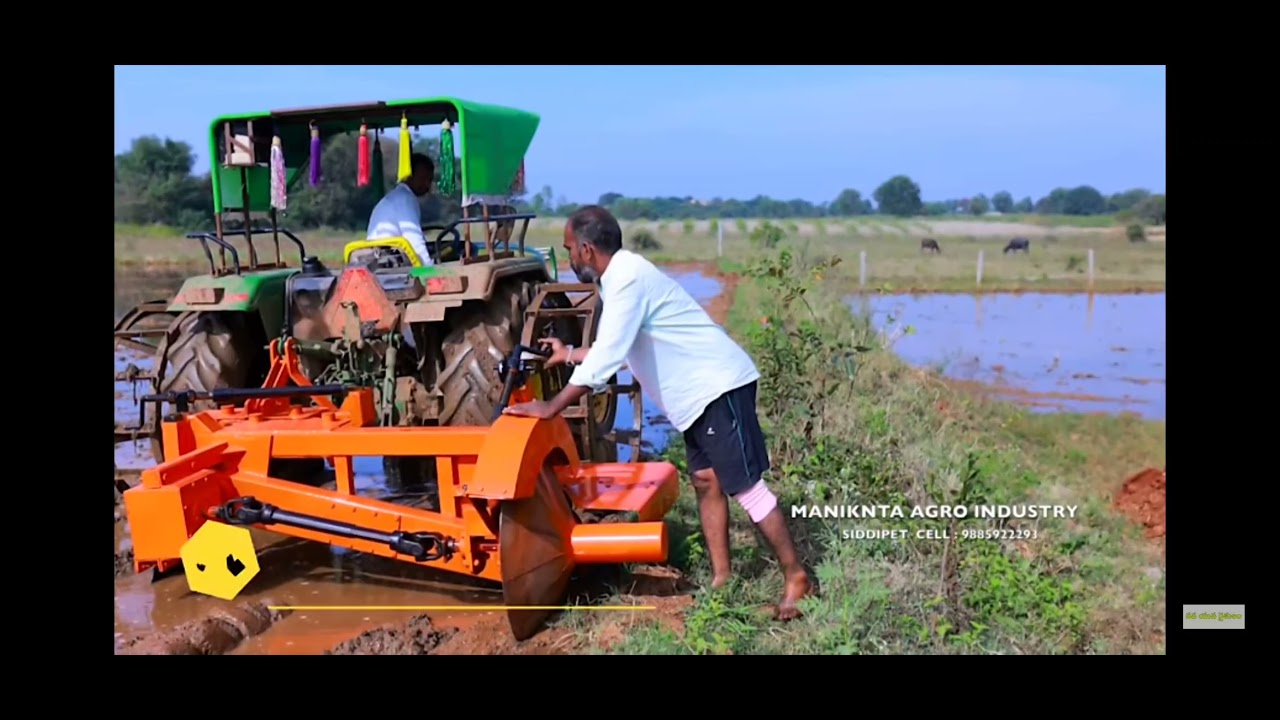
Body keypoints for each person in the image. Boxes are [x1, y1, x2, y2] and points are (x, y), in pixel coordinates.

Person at [503, 205, 814, 620]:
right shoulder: (620, 279)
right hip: (696, 398)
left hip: (717, 387)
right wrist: (569, 354)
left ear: (586, 249)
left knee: (745, 487)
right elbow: (619, 346)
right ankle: (722, 579)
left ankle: (797, 577)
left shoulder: (627, 279)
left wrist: (552, 406)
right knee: (706, 481)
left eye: (569, 250)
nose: (570, 259)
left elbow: (610, 357)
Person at [366, 153, 435, 265]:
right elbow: (414, 240)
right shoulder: (405, 199)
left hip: (377, 257)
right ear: (409, 176)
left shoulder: (395, 197)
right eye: (422, 179)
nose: (427, 185)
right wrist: (429, 270)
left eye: (430, 180)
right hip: (389, 260)